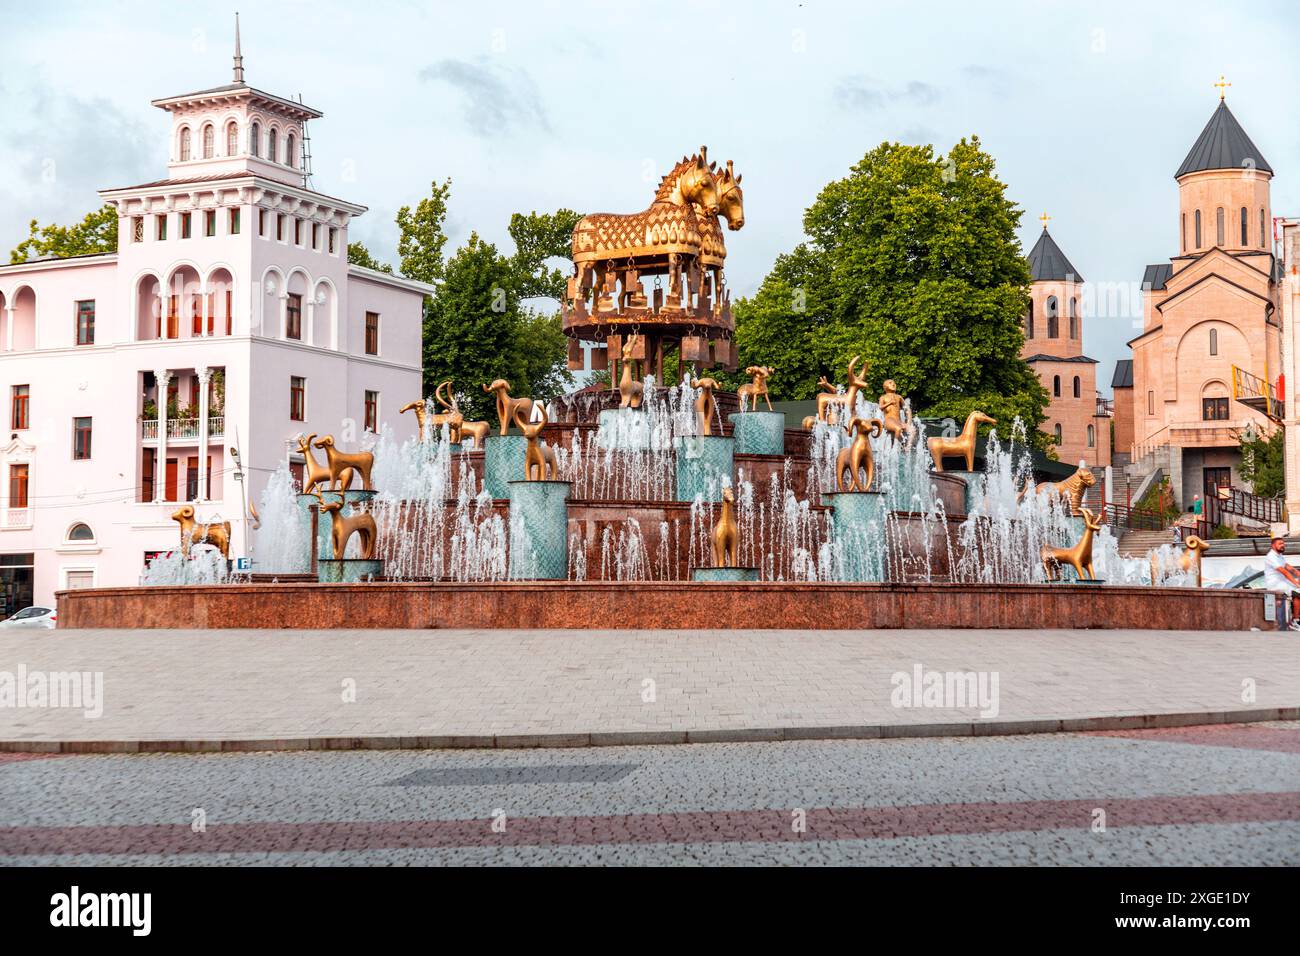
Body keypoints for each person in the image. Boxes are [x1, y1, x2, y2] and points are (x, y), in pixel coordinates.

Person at [1263, 536, 1300, 631]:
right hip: (1275, 584)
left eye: (1283, 543)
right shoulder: (1271, 557)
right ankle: (1295, 621)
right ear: (1273, 545)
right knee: (1298, 592)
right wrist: (1296, 583)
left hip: (1283, 582)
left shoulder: (1280, 556)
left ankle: (1294, 618)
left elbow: (1290, 568)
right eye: (1280, 544)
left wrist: (1298, 575)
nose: (1282, 545)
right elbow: (1284, 572)